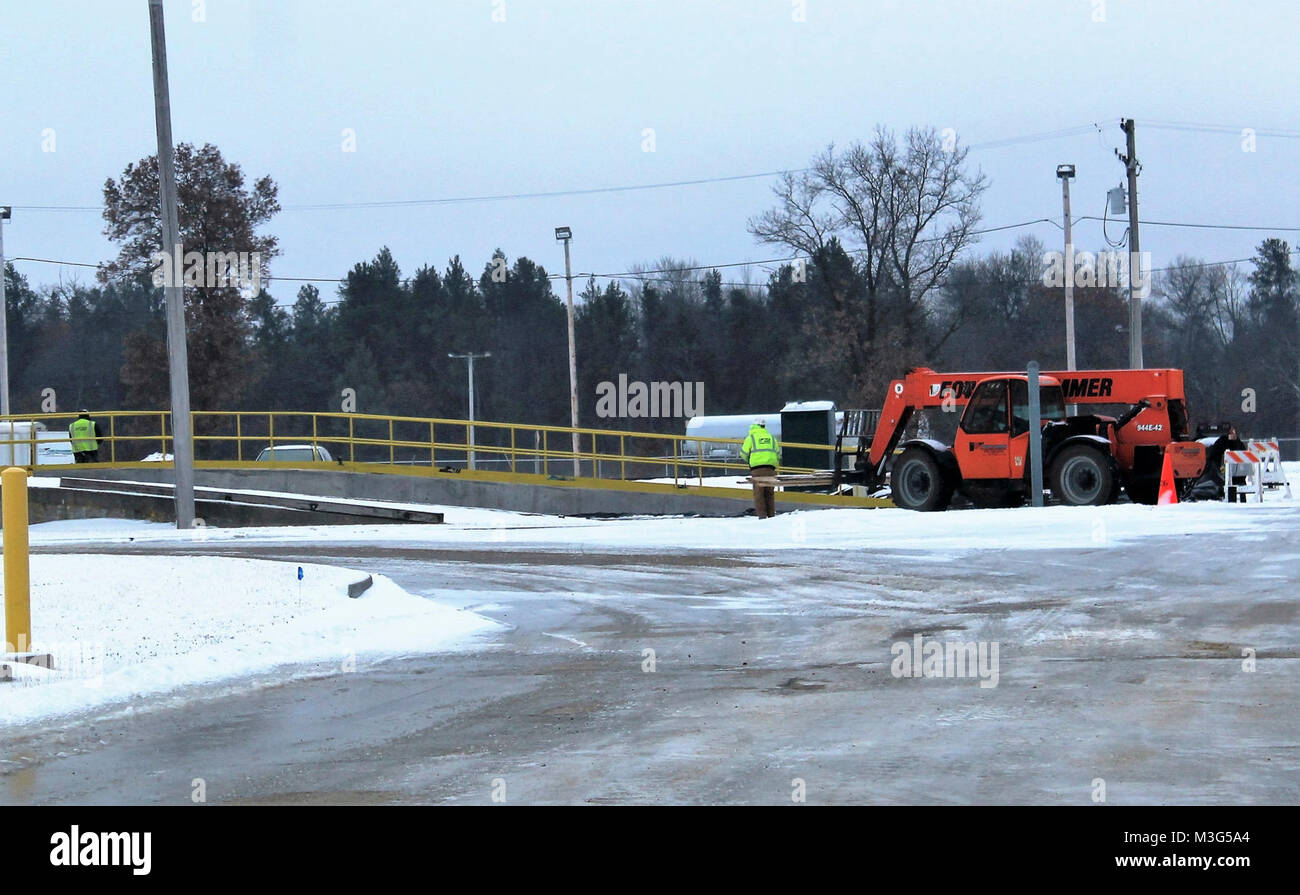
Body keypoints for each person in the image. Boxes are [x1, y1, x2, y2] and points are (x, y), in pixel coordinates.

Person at [741, 417, 781, 518]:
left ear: (754, 426)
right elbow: (778, 454)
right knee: (769, 493)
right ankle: (771, 516)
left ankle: (762, 517)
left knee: (759, 494)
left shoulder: (751, 438)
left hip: (757, 469)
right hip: (771, 469)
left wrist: (751, 460)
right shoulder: (771, 438)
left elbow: (743, 454)